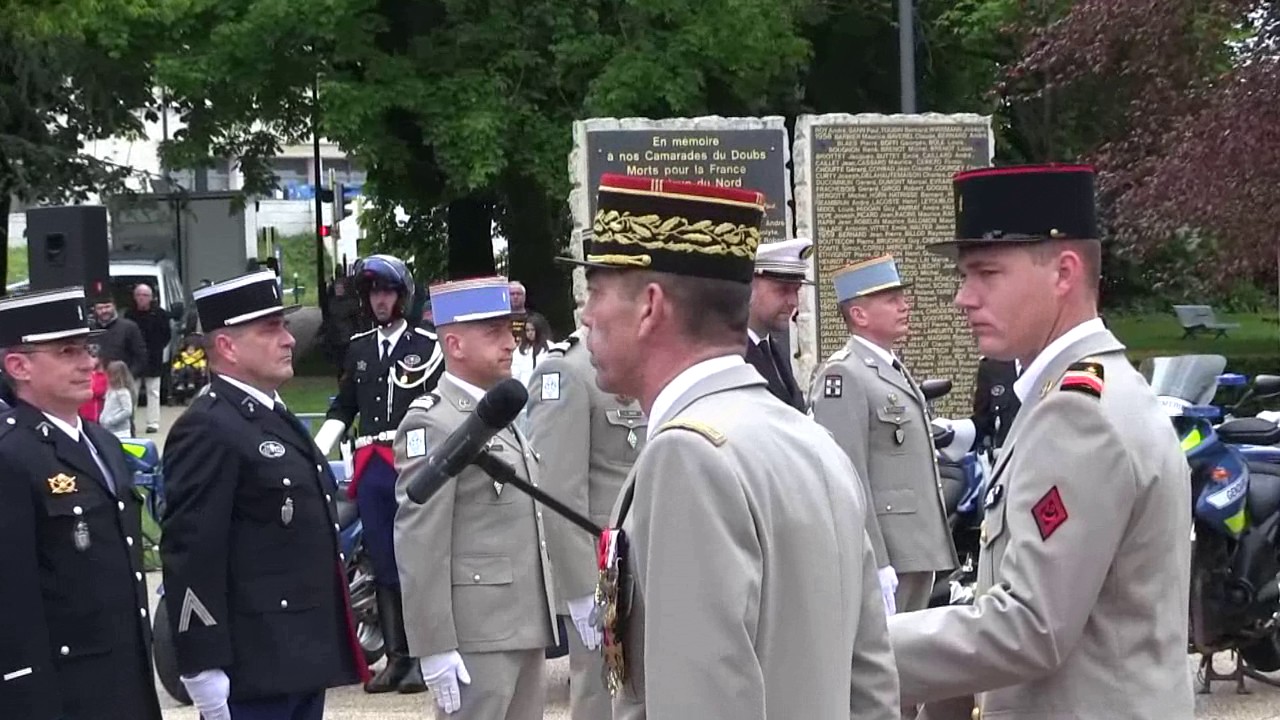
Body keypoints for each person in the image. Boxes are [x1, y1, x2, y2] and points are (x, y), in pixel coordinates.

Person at [561, 174, 899, 719]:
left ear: (649, 307)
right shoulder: (813, 441)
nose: (587, 314)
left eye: (597, 291)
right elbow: (872, 685)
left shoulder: (687, 456)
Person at [887, 164, 1193, 719]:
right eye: (964, 275)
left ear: (1064, 273)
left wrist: (856, 649)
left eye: (987, 273)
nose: (963, 297)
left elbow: (1029, 625)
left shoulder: (1078, 413)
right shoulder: (1082, 393)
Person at [160, 270, 367, 720]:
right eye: (270, 329)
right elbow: (192, 552)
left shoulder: (272, 415)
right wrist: (201, 663)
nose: (288, 339)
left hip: (297, 655)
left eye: (284, 326)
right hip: (252, 665)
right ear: (227, 346)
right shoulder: (209, 427)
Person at [392, 276, 558, 719]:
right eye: (494, 333)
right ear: (455, 344)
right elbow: (419, 538)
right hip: (476, 632)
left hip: (522, 622)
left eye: (511, 330)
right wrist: (434, 644)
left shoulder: (500, 411)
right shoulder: (435, 422)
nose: (510, 343)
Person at [0, 286, 162, 720]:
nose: (89, 362)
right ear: (19, 366)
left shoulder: (103, 443)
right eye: (67, 351)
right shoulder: (11, 454)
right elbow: (11, 593)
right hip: (60, 690)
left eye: (87, 348)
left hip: (123, 677)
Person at [313, 254, 443, 695]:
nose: (379, 300)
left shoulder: (427, 346)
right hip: (371, 468)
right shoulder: (360, 348)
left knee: (417, 561)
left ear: (402, 296)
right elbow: (343, 406)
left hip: (412, 463)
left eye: (386, 291)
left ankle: (424, 655)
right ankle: (396, 657)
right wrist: (315, 453)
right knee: (384, 562)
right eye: (373, 292)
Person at [808, 255, 957, 620]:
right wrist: (874, 558)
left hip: (916, 547)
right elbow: (847, 476)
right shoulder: (845, 374)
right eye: (891, 300)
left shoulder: (889, 367)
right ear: (859, 314)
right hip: (889, 551)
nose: (904, 306)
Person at [524, 326, 647, 720]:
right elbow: (557, 492)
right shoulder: (569, 370)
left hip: (651, 561)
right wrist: (582, 592)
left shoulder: (648, 354)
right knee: (603, 698)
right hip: (606, 575)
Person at [746, 237, 811, 411]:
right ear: (749, 289)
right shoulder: (730, 355)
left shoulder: (774, 351)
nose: (793, 301)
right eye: (782, 290)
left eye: (796, 290)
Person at [124, 282, 172, 432]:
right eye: (139, 295)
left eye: (145, 295)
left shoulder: (160, 314)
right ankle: (129, 422)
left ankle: (153, 423)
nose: (142, 298)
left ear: (151, 297)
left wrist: (157, 348)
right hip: (134, 359)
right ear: (134, 297)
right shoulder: (129, 314)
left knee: (154, 392)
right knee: (132, 392)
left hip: (154, 358)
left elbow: (167, 335)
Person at [89, 296, 147, 403]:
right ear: (95, 310)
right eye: (100, 308)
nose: (104, 311)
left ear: (114, 306)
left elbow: (141, 356)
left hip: (122, 384)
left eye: (107, 307)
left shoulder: (129, 327)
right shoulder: (89, 330)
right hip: (95, 384)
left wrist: (128, 376)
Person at [511, 311, 551, 388]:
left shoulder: (550, 347)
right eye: (527, 330)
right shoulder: (519, 351)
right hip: (525, 389)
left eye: (532, 330)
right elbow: (515, 374)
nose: (530, 333)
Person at [100, 360, 137, 439]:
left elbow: (127, 411)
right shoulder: (110, 391)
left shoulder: (123, 392)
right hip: (109, 430)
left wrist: (112, 420)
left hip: (121, 432)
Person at [78, 348, 108, 423]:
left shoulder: (103, 376)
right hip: (83, 413)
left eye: (93, 357)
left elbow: (98, 391)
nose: (90, 360)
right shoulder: (86, 375)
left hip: (96, 415)